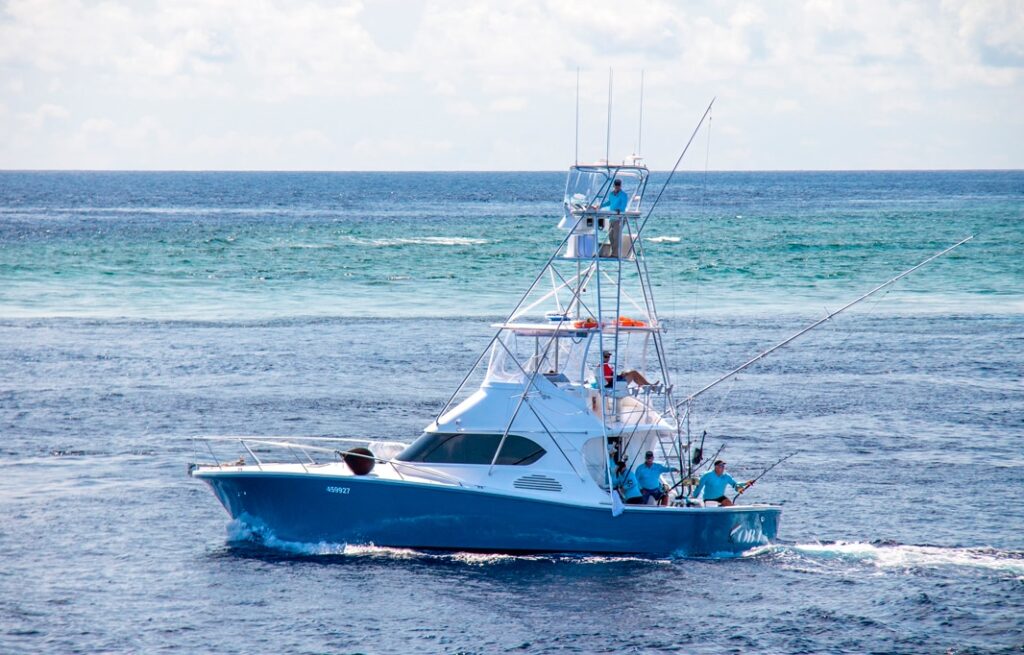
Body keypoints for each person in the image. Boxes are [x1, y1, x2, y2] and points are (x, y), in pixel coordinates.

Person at [600, 179, 629, 257]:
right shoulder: (611, 194)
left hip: (619, 218)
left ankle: (615, 254)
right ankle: (613, 252)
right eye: (616, 185)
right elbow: (609, 202)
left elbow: (624, 205)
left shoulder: (623, 195)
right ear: (614, 185)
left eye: (618, 185)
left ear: (620, 186)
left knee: (616, 236)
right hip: (612, 218)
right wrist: (600, 206)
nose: (617, 186)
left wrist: (619, 210)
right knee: (611, 236)